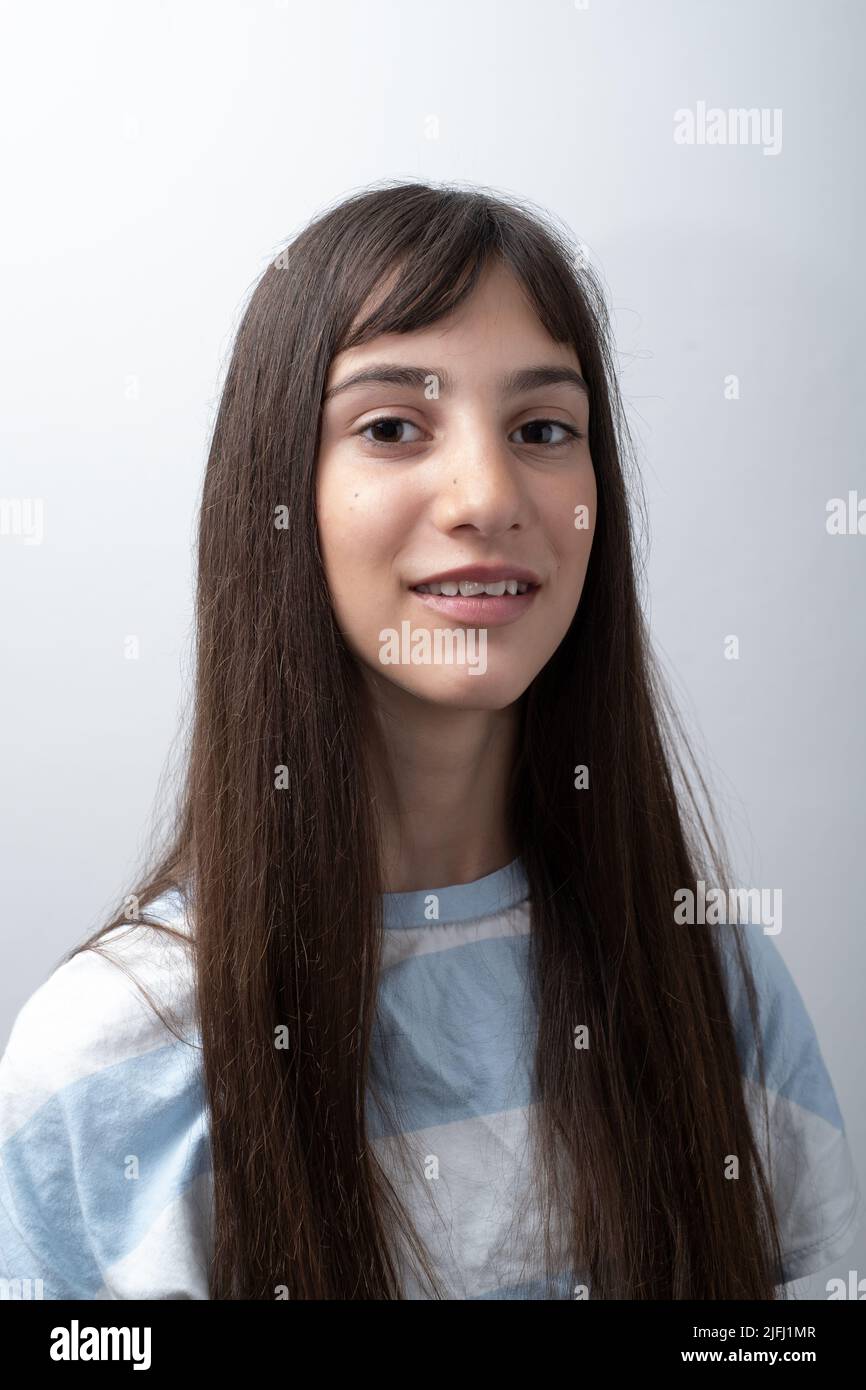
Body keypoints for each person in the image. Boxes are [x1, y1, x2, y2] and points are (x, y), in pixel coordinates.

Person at [0, 182, 860, 1299]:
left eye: (541, 429)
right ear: (277, 492)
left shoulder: (713, 979)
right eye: (392, 426)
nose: (487, 494)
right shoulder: (110, 1056)